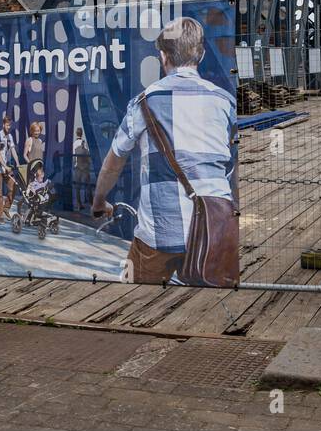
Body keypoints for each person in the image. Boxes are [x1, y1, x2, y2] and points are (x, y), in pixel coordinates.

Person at [91, 16, 236, 284]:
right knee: (210, 304)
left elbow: (114, 161)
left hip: (160, 232)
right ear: (201, 54)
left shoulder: (144, 102)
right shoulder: (224, 101)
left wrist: (99, 201)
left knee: (135, 297)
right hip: (215, 227)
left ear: (162, 56)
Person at [0, 115, 20, 223]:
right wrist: (4, 166)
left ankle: (6, 208)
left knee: (13, 188)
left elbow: (13, 150)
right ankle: (0, 216)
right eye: (7, 125)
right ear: (3, 124)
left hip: (7, 167)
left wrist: (17, 163)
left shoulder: (10, 137)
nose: (9, 127)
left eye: (10, 125)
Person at [72, 126, 92, 211]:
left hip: (77, 167)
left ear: (76, 133)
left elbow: (73, 157)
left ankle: (78, 204)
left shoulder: (74, 144)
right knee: (87, 185)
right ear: (82, 133)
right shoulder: (85, 143)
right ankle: (90, 202)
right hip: (85, 166)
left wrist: (74, 164)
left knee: (77, 186)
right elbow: (88, 155)